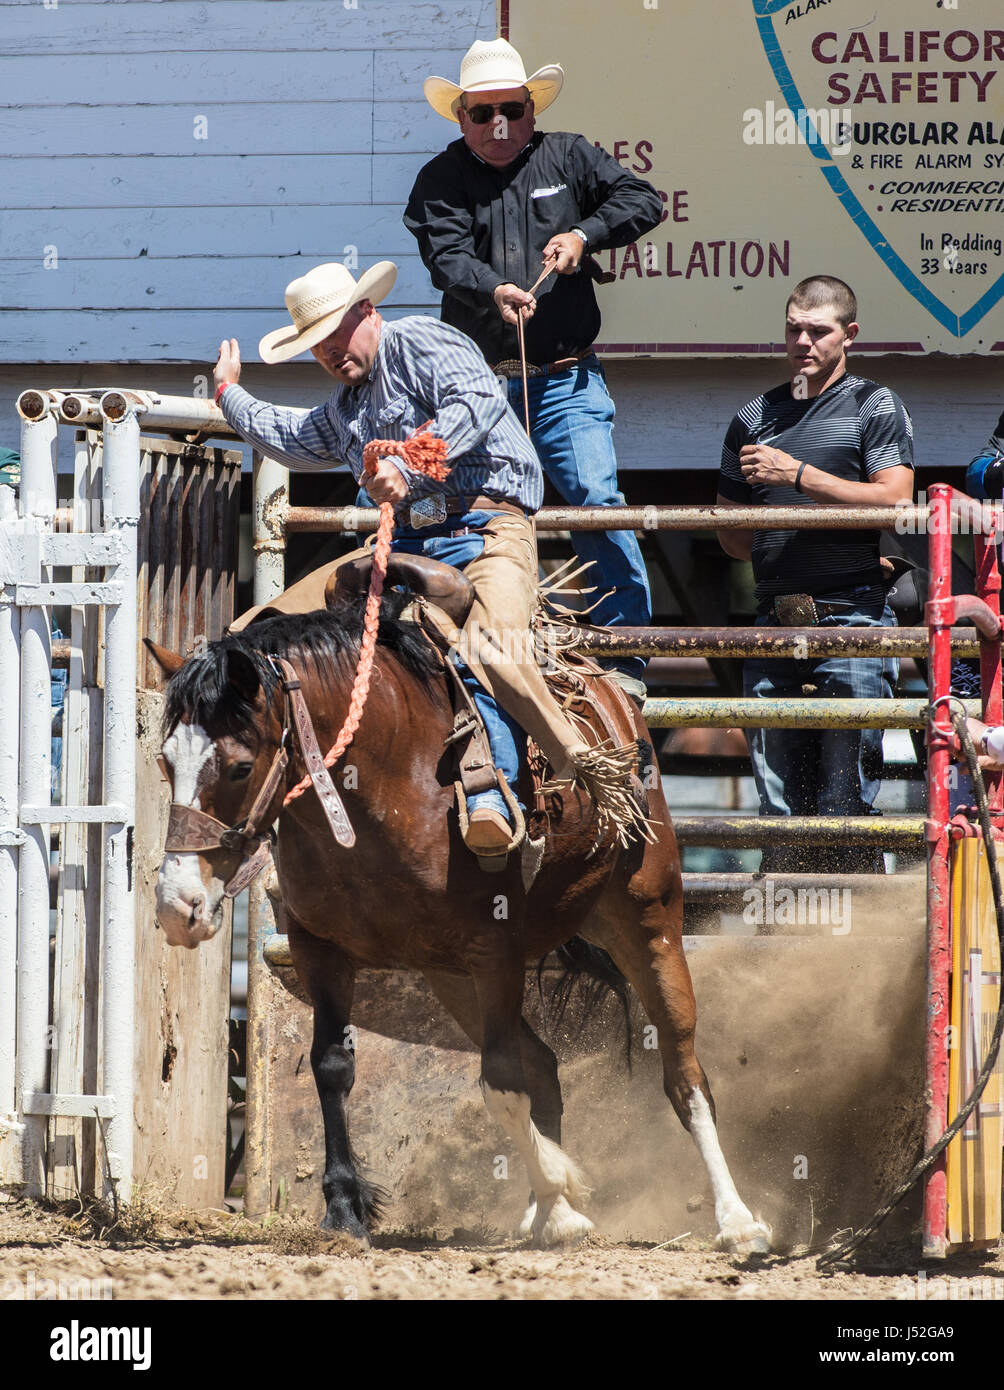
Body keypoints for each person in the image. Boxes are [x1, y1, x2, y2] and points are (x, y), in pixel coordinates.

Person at [212, 260, 640, 856]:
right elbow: (295, 436)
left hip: (486, 529)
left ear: (368, 311)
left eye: (338, 334)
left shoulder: (419, 340)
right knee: (257, 634)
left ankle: (541, 777)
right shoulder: (345, 407)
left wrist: (407, 467)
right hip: (408, 542)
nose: (333, 353)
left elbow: (478, 399)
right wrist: (230, 396)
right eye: (318, 347)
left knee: (493, 645)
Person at [403, 38, 662, 705]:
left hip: (564, 379)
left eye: (512, 111)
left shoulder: (569, 154)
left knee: (596, 502)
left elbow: (643, 200)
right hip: (473, 391)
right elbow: (446, 257)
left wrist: (584, 234)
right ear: (461, 114)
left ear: (529, 109)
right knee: (434, 504)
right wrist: (493, 289)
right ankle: (434, 648)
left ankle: (623, 655)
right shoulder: (440, 179)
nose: (499, 126)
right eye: (484, 112)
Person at [715, 275, 915, 874]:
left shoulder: (873, 405)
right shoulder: (754, 415)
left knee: (842, 790)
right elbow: (730, 538)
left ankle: (853, 937)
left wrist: (795, 476)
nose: (803, 341)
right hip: (774, 616)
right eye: (793, 329)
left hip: (853, 610)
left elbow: (897, 502)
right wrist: (756, 511)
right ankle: (779, 939)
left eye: (818, 330)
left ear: (849, 335)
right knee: (775, 796)